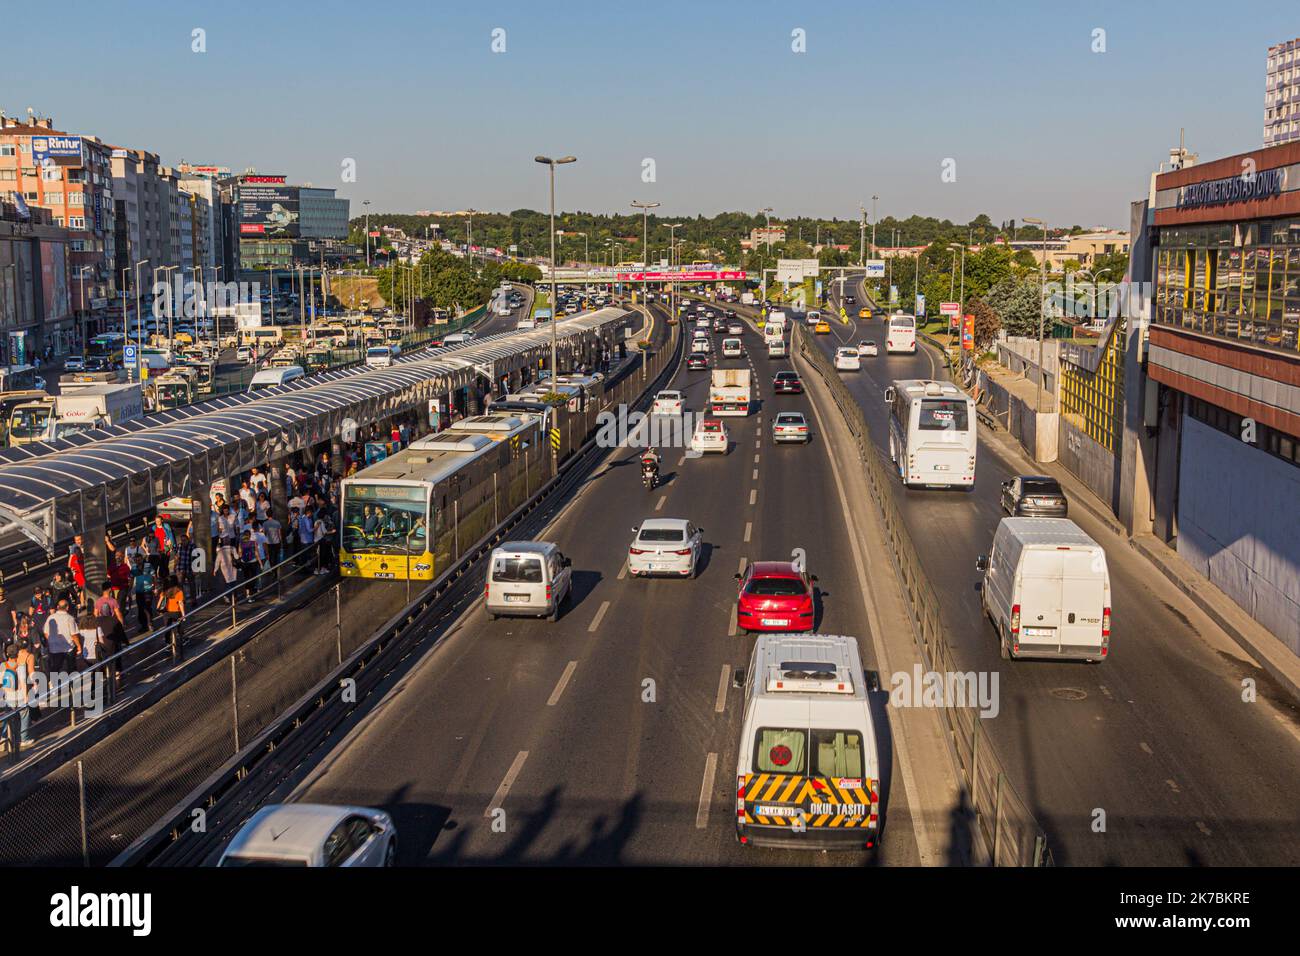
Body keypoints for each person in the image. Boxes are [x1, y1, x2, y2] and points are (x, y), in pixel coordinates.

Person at [1, 642, 34, 752]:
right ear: (18, 654)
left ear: (7, 653)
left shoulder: (2, 666)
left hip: (8, 697)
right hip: (19, 696)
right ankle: (24, 739)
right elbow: (23, 683)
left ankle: (3, 739)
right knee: (24, 716)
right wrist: (26, 697)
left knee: (7, 719)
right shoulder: (20, 666)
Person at [42, 599, 81, 673]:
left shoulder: (50, 617)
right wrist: (79, 646)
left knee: (55, 667)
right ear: (67, 607)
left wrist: (51, 641)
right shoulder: (70, 618)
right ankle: (72, 683)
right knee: (71, 667)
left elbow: (45, 632)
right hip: (68, 648)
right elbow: (74, 634)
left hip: (54, 648)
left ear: (57, 607)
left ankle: (54, 683)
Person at [131, 557, 156, 633]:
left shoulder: (148, 565)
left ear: (142, 559)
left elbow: (154, 576)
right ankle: (144, 626)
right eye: (136, 560)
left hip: (148, 589)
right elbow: (131, 579)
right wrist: (129, 590)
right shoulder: (134, 567)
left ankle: (150, 624)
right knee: (141, 609)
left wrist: (155, 587)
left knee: (147, 607)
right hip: (139, 591)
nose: (138, 561)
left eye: (139, 559)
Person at [238, 531, 260, 602]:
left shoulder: (241, 543)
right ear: (250, 536)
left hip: (244, 563)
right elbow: (256, 553)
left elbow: (240, 554)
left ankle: (247, 594)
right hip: (253, 562)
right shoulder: (253, 542)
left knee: (246, 578)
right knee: (253, 578)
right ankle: (251, 594)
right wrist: (260, 563)